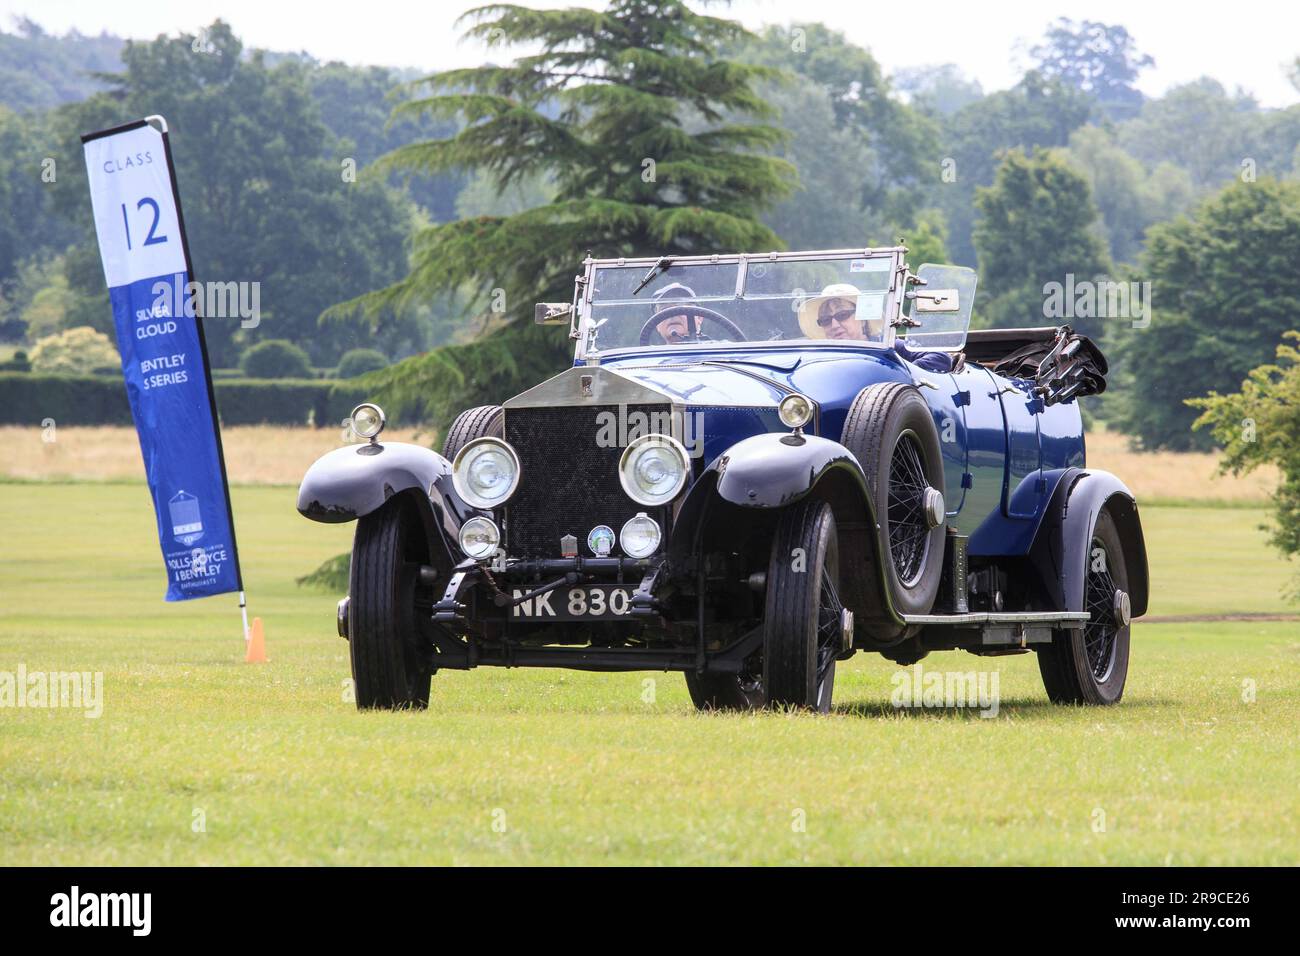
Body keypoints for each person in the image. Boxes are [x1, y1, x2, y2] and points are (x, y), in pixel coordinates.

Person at [797, 282, 952, 372]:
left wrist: (899, 374)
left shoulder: (885, 345)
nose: (834, 325)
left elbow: (941, 358)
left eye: (842, 315)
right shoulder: (816, 358)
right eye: (825, 320)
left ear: (863, 319)